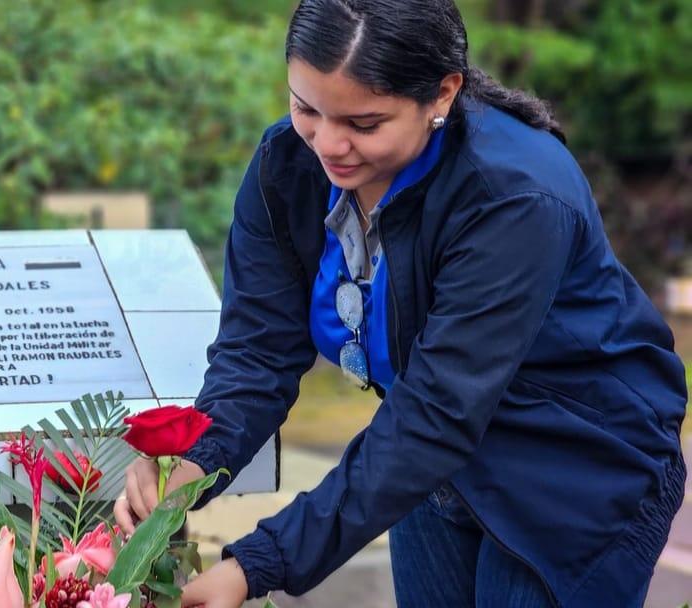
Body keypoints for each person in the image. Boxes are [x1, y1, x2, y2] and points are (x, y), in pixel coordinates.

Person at [113, 1, 688, 606]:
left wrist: (258, 563)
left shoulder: (512, 196)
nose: (328, 145)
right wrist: (191, 469)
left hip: (572, 466)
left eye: (364, 124)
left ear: (442, 94)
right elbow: (257, 351)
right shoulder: (287, 167)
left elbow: (438, 410)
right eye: (305, 107)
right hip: (431, 465)